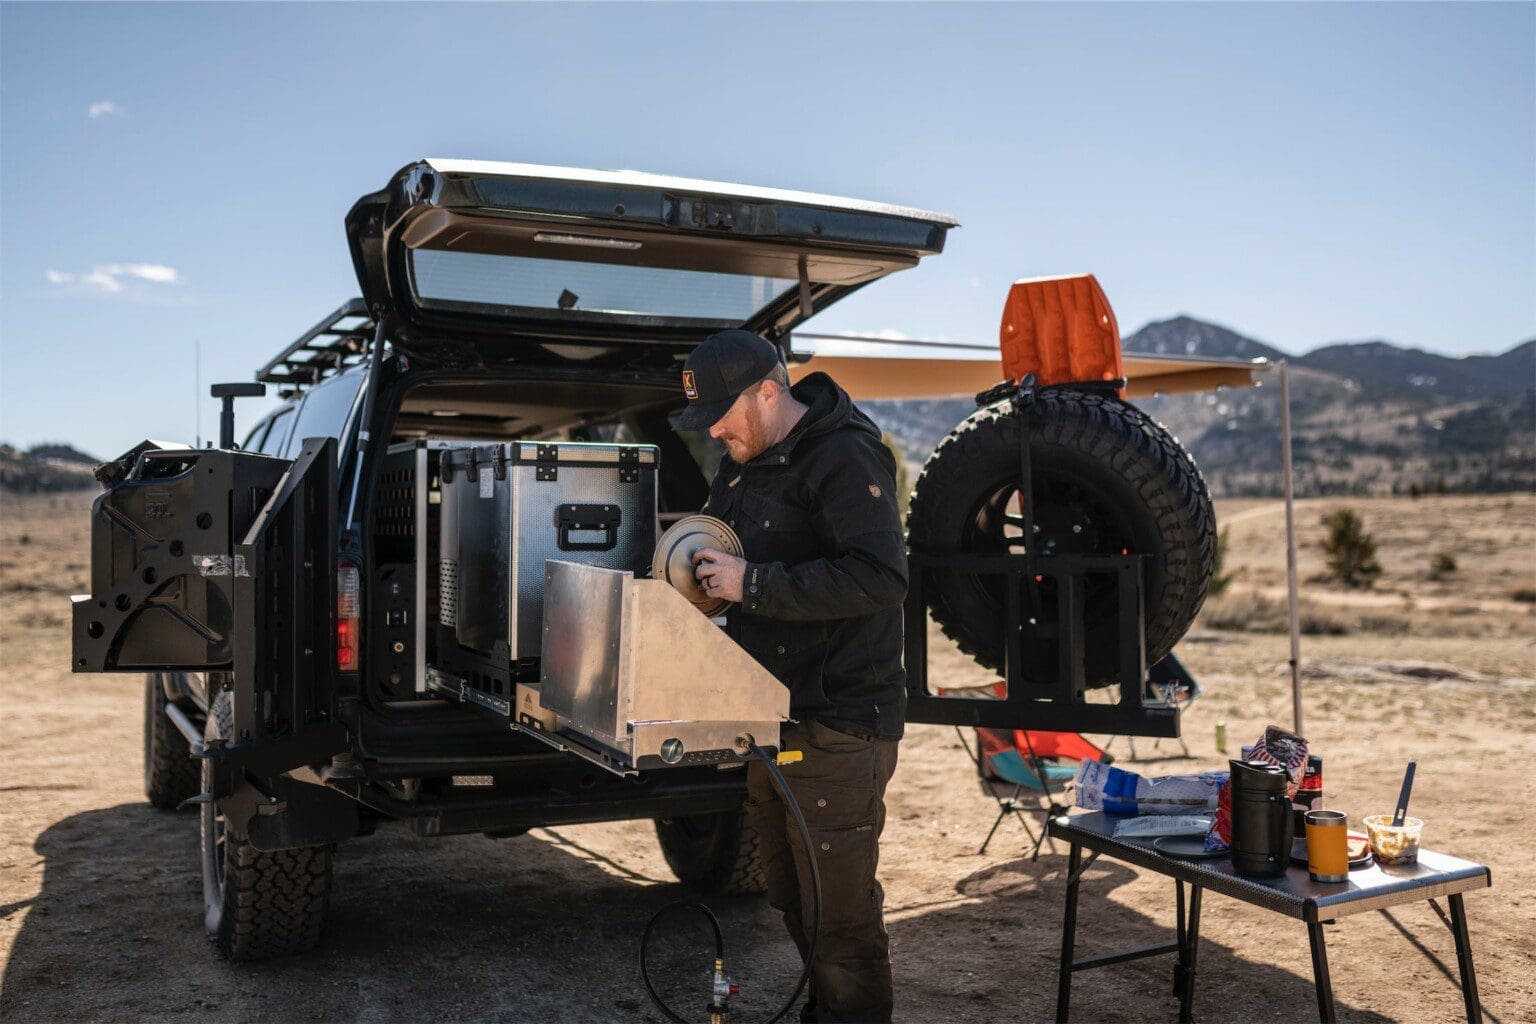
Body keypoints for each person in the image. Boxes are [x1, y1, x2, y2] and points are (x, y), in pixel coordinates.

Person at [674, 329, 908, 1023]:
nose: (713, 431)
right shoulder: (745, 461)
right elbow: (722, 547)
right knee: (788, 891)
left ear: (769, 392)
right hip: (774, 716)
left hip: (839, 723)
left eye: (723, 414)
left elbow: (881, 577)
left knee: (841, 919)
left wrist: (755, 586)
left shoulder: (843, 455)